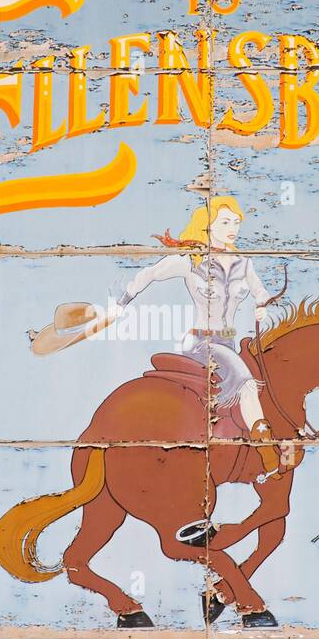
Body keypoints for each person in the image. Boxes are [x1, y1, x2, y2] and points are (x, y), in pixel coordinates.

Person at [115, 195, 283, 479]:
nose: (234, 228)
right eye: (226, 222)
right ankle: (267, 453)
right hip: (201, 343)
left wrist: (262, 307)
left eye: (237, 222)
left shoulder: (243, 263)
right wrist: (121, 302)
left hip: (229, 341)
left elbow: (261, 292)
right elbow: (151, 274)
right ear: (207, 226)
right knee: (247, 384)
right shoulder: (191, 261)